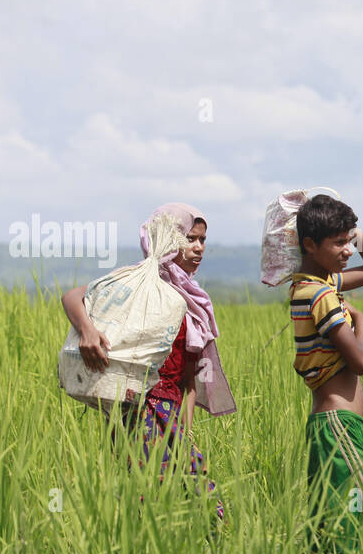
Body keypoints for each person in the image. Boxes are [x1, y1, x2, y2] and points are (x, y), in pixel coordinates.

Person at [61, 202, 235, 515]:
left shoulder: (194, 303)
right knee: (154, 501)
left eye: (203, 240)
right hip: (136, 412)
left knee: (197, 502)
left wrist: (186, 432)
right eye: (190, 239)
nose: (198, 248)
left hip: (172, 415)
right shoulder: (137, 283)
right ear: (168, 239)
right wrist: (87, 330)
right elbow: (73, 296)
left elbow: (189, 382)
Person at [288, 193, 363, 552]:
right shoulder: (319, 295)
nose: (348, 250)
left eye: (349, 242)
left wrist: (352, 231)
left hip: (333, 425)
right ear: (309, 244)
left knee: (326, 525)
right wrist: (361, 321)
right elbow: (360, 362)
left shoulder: (314, 285)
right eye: (338, 243)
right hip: (338, 426)